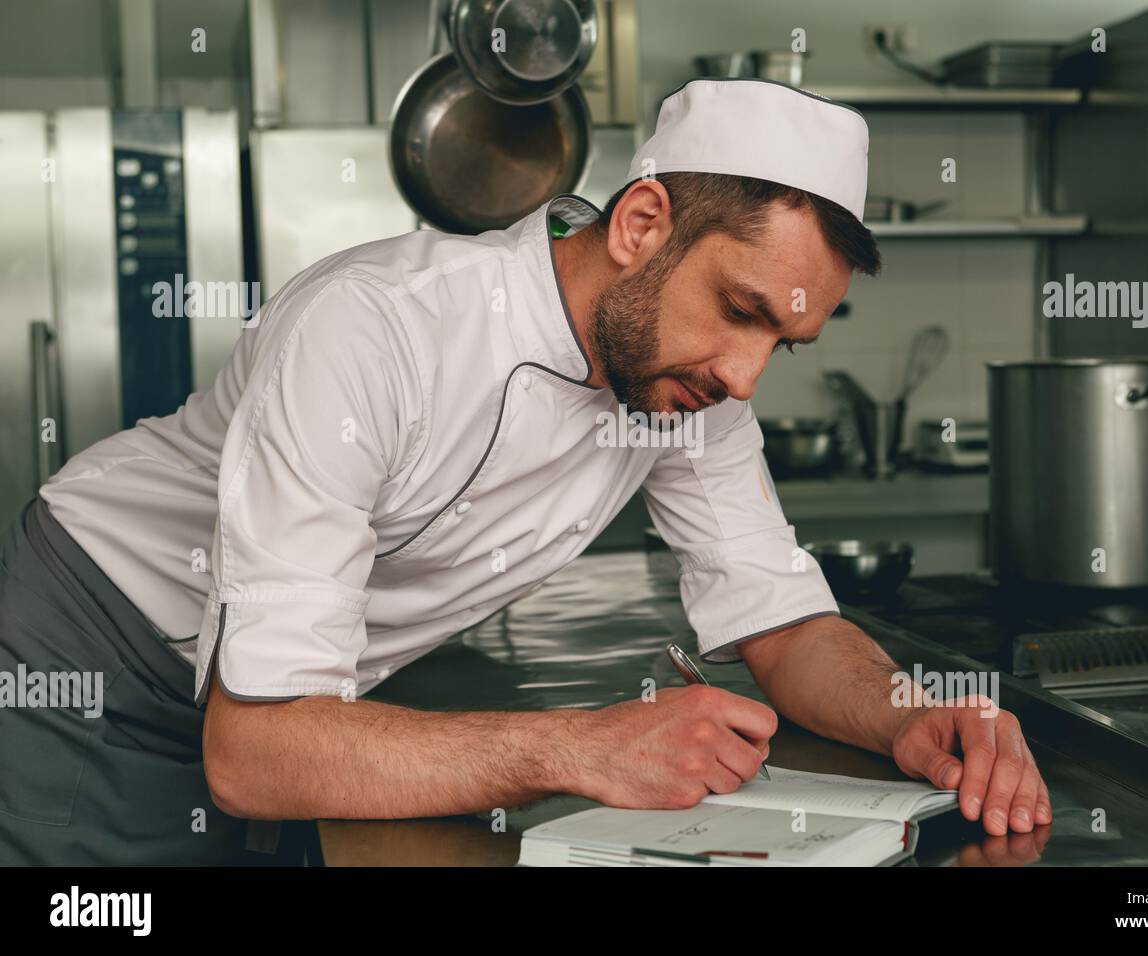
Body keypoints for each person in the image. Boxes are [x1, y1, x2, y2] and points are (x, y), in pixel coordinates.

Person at [0, 78, 1050, 864]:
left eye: (784, 342)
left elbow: (782, 622)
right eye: (739, 311)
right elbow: (253, 754)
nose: (744, 375)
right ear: (640, 225)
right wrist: (583, 748)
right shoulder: (372, 331)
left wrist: (911, 712)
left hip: (302, 703)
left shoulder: (685, 388)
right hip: (96, 643)